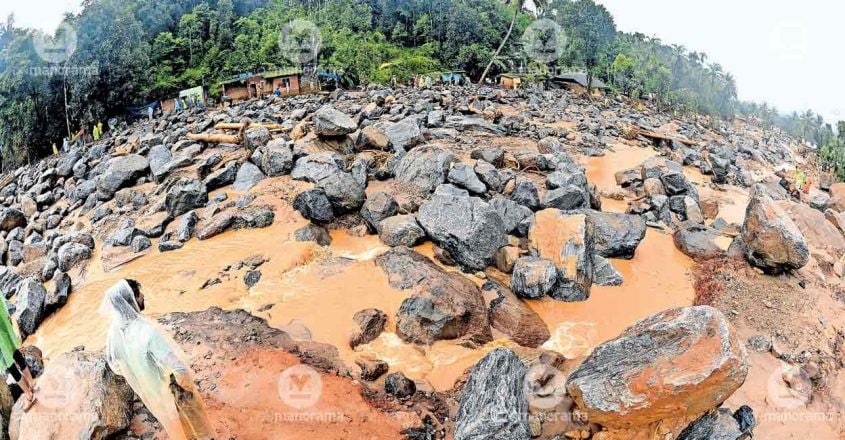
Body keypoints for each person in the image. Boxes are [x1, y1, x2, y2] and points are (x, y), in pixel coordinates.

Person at [101, 280, 214, 440]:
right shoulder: (147, 331)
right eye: (139, 294)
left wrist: (144, 375)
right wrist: (187, 387)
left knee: (179, 429)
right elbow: (178, 368)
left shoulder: (114, 333)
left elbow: (115, 365)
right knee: (199, 427)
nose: (143, 296)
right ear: (131, 300)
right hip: (172, 388)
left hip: (153, 393)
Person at [0, 297, 36, 411]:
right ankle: (32, 383)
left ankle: (28, 395)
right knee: (15, 353)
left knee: (10, 364)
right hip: (4, 327)